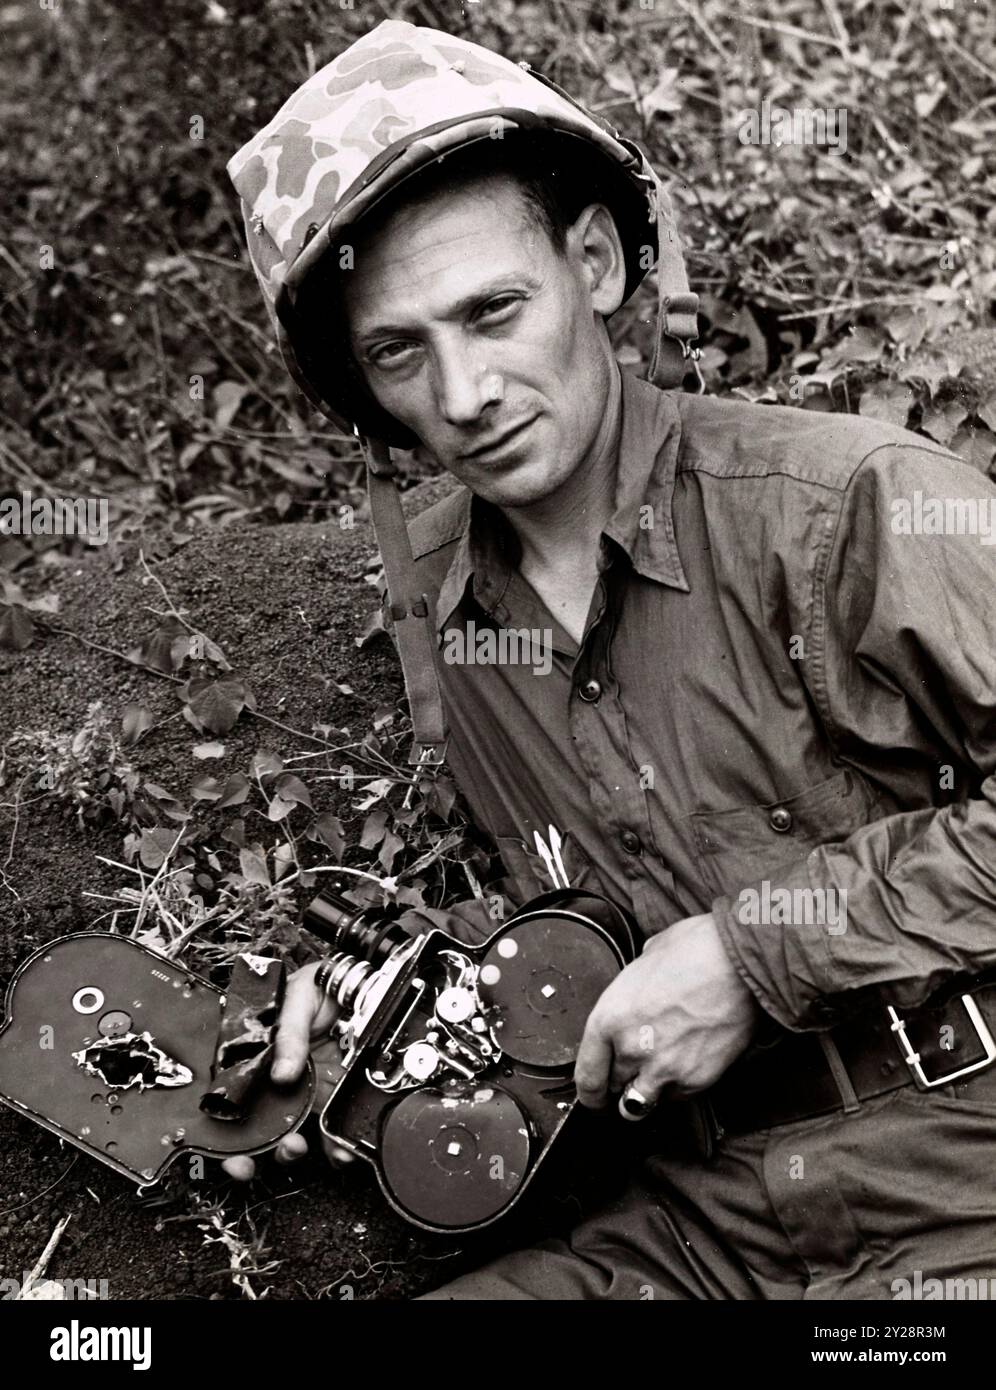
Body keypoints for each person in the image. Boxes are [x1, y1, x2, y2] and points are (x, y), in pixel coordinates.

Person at [222, 20, 996, 1299]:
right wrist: (364, 1020)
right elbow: (579, 927)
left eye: (492, 311)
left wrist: (758, 956)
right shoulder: (459, 623)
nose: (465, 392)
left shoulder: (851, 504)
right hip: (704, 1226)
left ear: (592, 262)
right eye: (400, 351)